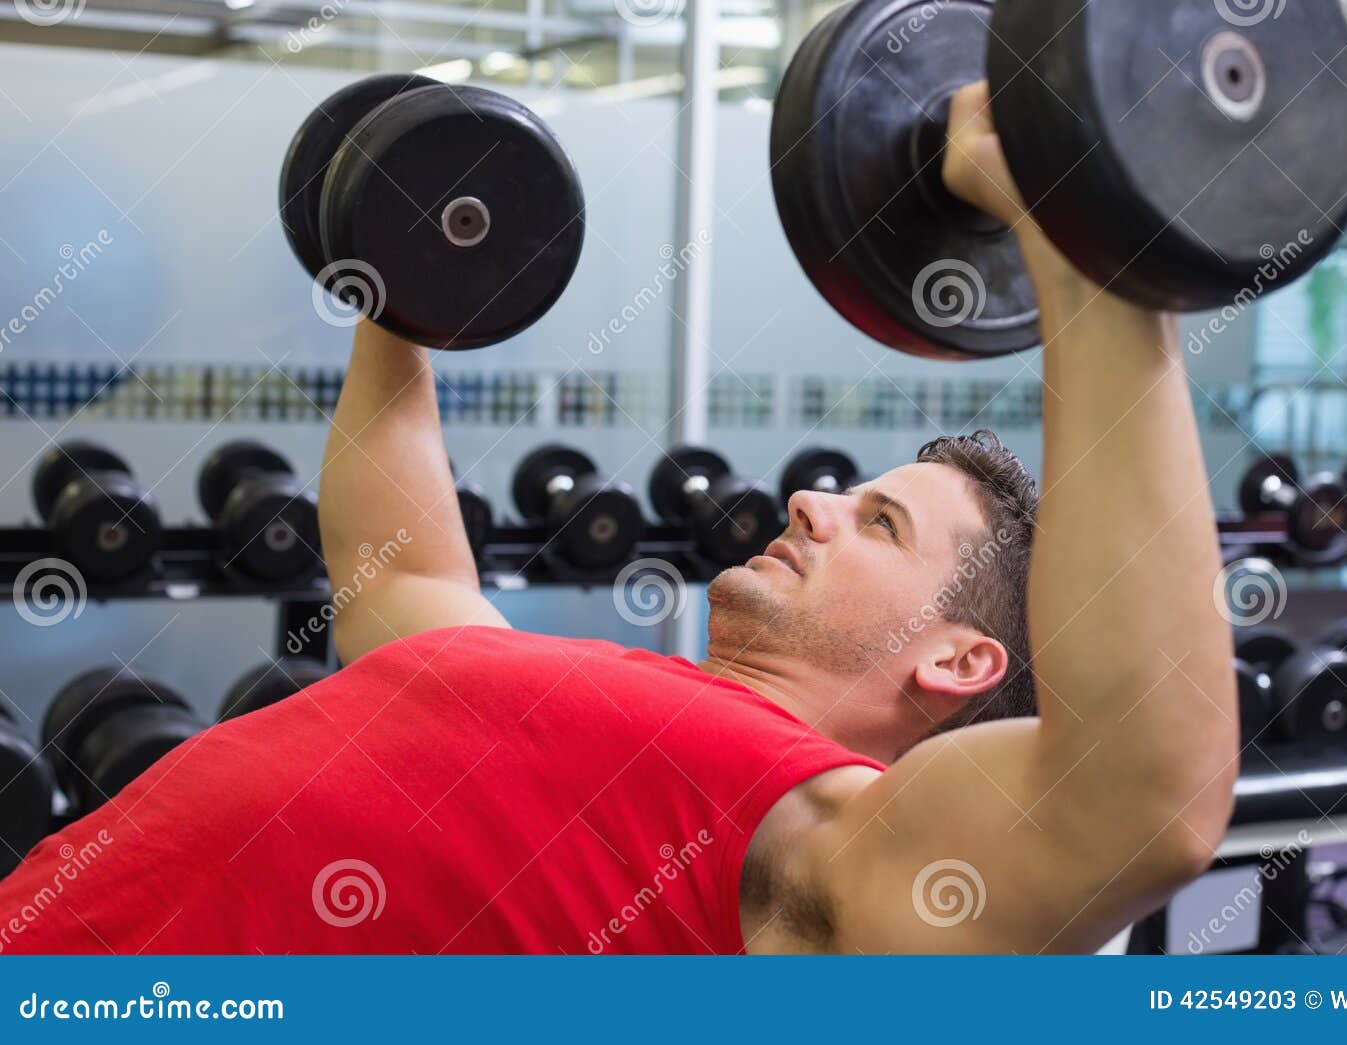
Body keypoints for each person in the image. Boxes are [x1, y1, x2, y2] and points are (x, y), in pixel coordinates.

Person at [0, 83, 1237, 954]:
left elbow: (1145, 796)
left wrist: (1084, 246)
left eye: (878, 523)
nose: (811, 500)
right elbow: (396, 579)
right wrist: (410, 279)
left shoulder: (823, 846)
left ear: (959, 659)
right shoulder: (549, 676)